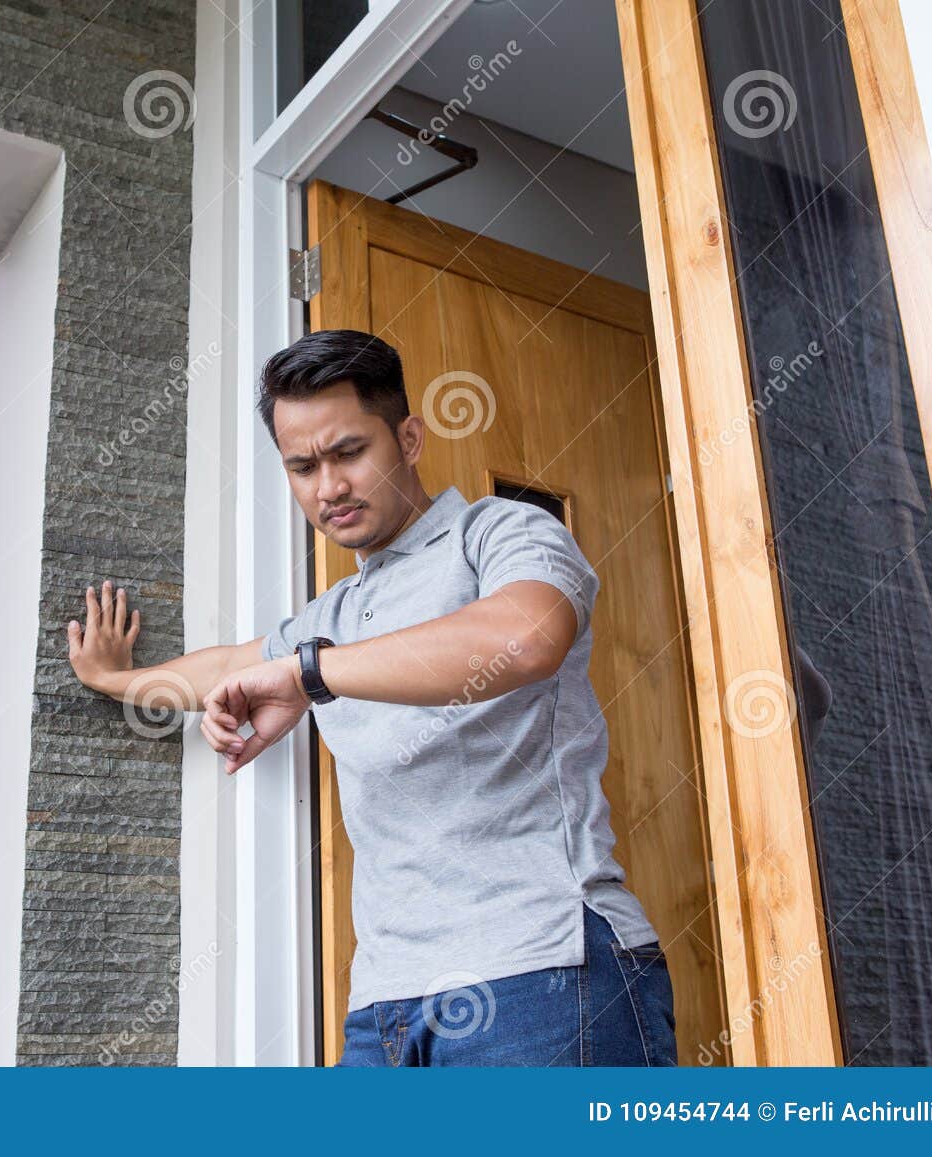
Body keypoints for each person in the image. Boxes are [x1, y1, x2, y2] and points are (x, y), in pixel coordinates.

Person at [66, 328, 675, 1066]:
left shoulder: (497, 532)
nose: (329, 488)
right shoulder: (334, 615)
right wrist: (113, 678)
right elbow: (228, 663)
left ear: (409, 438)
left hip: (539, 963)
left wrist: (308, 674)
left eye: (349, 452)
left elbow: (525, 634)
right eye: (302, 466)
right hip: (385, 1005)